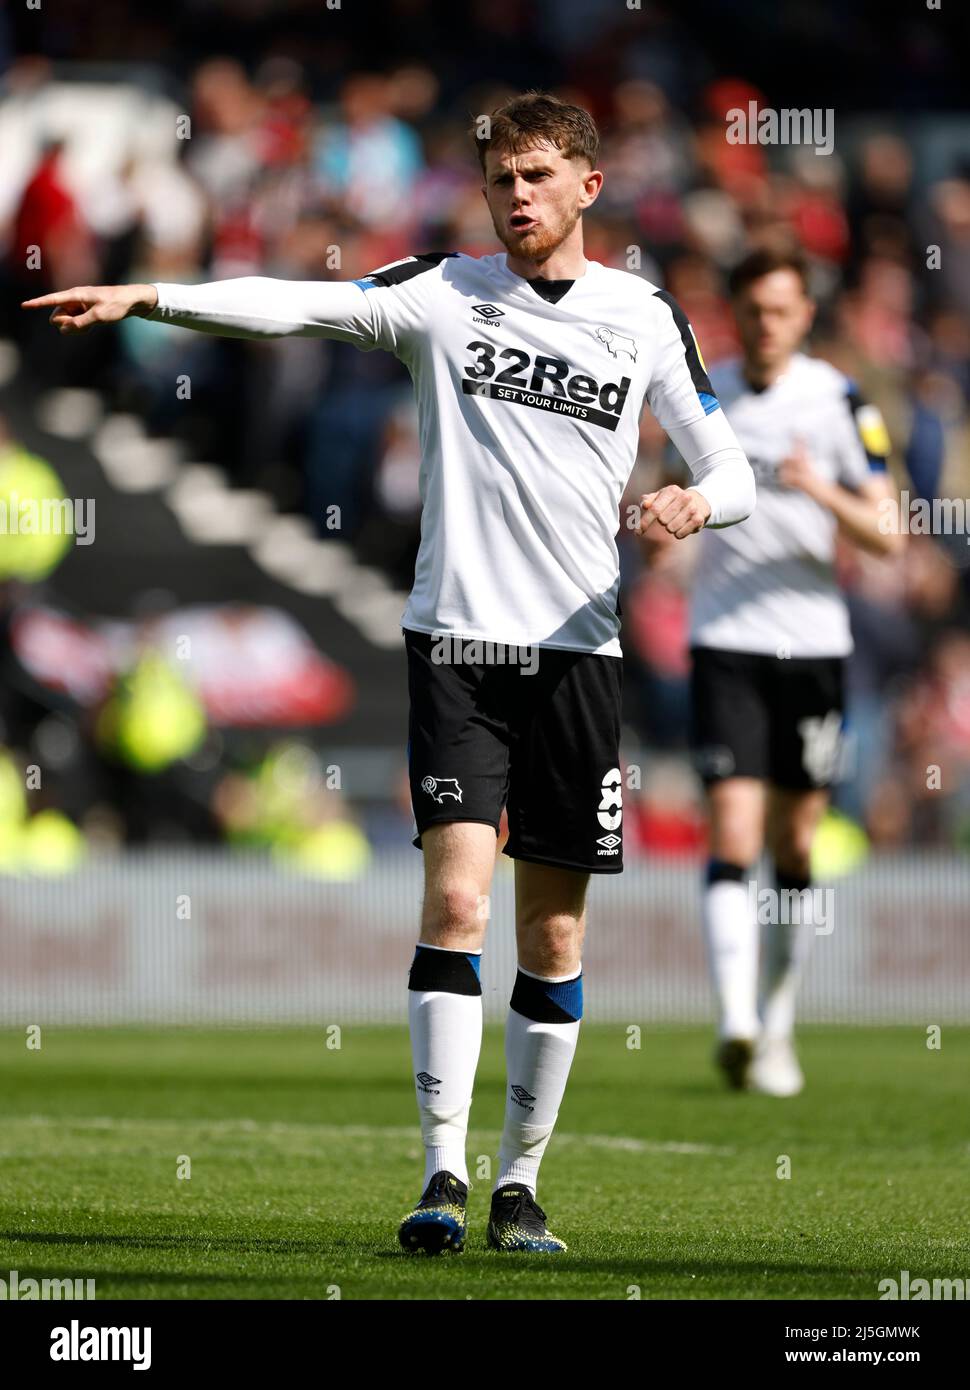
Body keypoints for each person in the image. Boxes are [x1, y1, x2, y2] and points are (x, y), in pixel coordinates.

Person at [24, 90, 755, 1255]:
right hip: (456, 644)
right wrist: (152, 294)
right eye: (498, 178)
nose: (513, 196)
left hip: (580, 653)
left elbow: (733, 463)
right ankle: (442, 1177)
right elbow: (294, 306)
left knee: (554, 941)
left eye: (533, 175)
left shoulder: (641, 315)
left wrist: (693, 501)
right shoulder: (441, 293)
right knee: (458, 903)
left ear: (586, 186)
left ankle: (522, 1182)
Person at [643, 247, 901, 1097]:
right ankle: (736, 1022)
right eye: (754, 310)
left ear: (805, 316)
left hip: (815, 649)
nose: (767, 325)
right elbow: (667, 485)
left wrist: (815, 490)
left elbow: (890, 533)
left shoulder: (836, 400)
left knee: (794, 842)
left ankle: (779, 1022)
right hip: (726, 644)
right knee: (735, 832)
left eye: (782, 310)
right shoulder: (700, 391)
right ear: (738, 313)